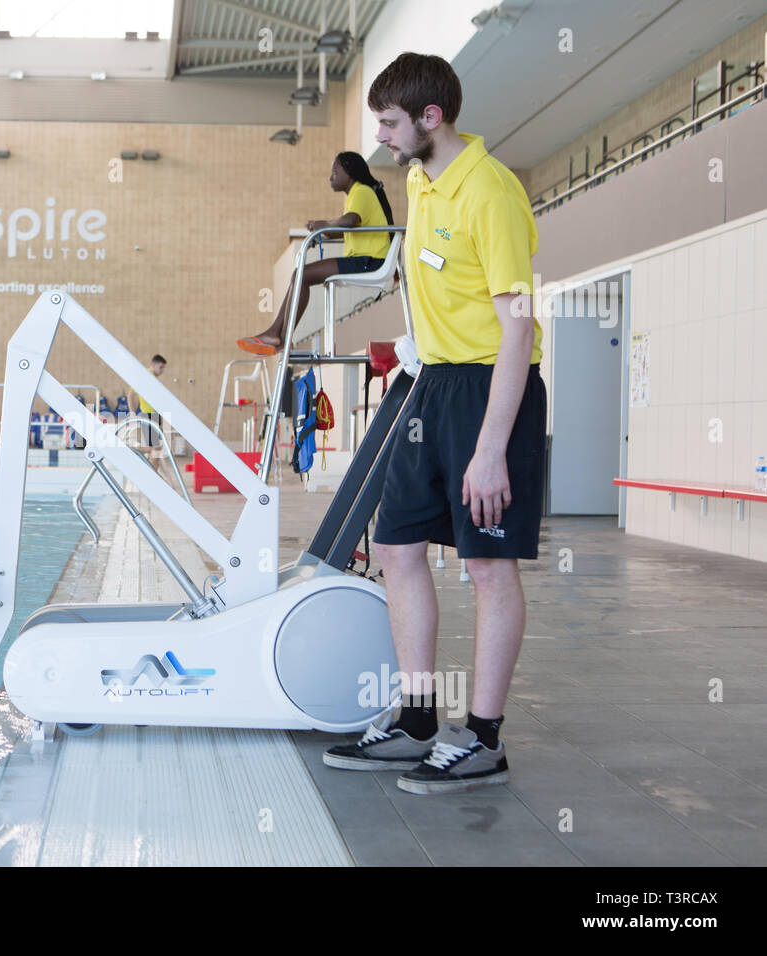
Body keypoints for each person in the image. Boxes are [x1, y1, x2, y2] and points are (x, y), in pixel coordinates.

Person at [322, 53, 546, 794]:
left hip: (493, 388)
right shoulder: (418, 178)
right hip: (435, 381)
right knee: (394, 545)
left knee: (486, 564)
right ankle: (418, 718)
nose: (381, 139)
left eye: (389, 123)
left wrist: (491, 450)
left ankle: (483, 739)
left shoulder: (492, 194)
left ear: (431, 118)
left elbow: (517, 329)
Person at [237, 151, 393, 356]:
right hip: (363, 260)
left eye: (335, 171)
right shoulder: (358, 193)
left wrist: (325, 224)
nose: (331, 178)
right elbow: (349, 228)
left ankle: (278, 335)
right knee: (300, 274)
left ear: (349, 172)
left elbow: (350, 221)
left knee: (302, 275)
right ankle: (278, 336)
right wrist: (324, 231)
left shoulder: (361, 191)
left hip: (369, 262)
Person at [128, 353, 168, 448]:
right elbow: (130, 395)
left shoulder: (152, 378)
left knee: (156, 448)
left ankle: (147, 457)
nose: (162, 370)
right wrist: (132, 413)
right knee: (155, 448)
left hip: (154, 414)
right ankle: (136, 450)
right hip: (148, 415)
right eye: (161, 367)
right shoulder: (145, 376)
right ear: (153, 365)